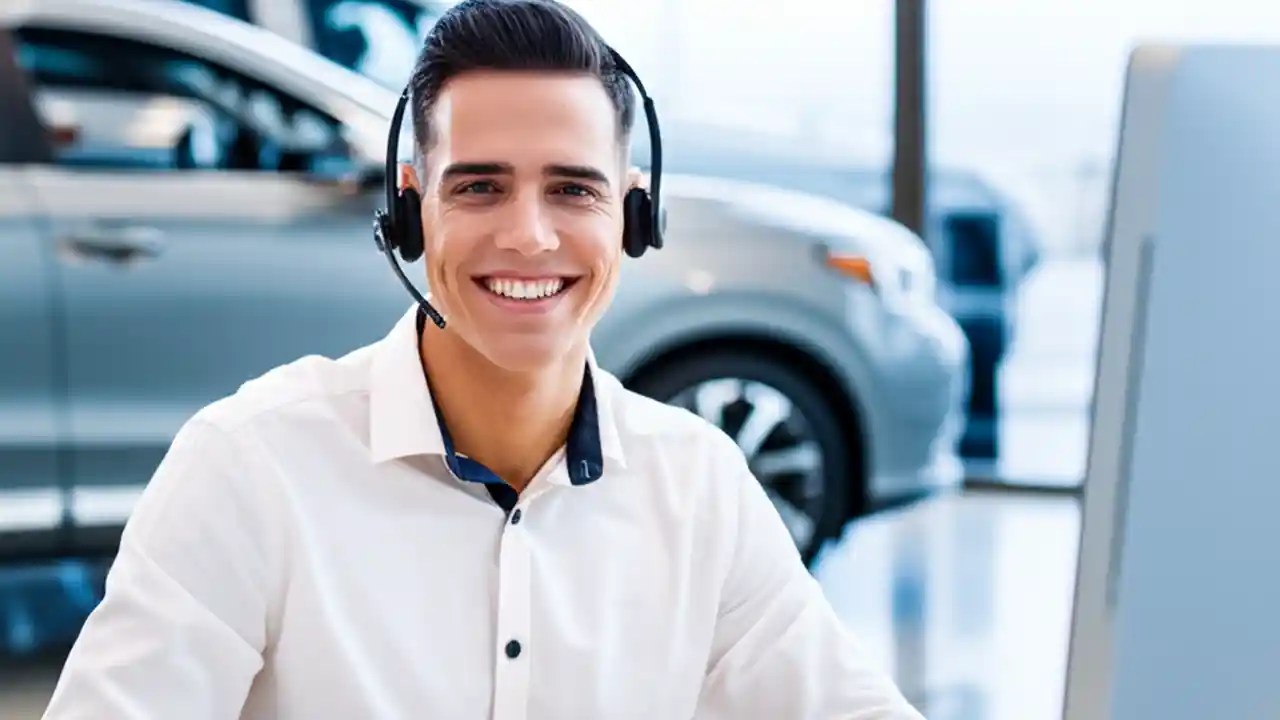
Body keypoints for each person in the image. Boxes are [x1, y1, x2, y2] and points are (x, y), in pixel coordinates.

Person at [42, 1, 926, 718]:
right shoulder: (251, 467)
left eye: (572, 189)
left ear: (634, 217)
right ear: (410, 212)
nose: (528, 235)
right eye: (479, 186)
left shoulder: (697, 487)